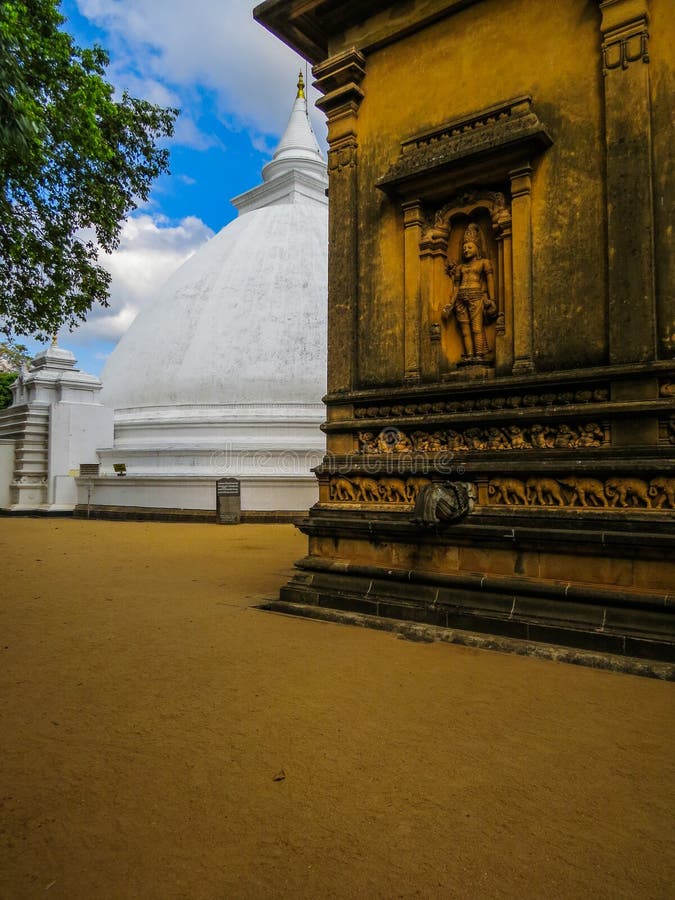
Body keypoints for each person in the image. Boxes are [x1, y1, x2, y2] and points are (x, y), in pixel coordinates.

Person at [442, 222, 497, 361]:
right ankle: (469, 355)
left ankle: (479, 355)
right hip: (460, 298)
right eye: (464, 248)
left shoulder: (483, 262)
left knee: (476, 328)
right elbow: (456, 286)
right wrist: (451, 303)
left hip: (476, 296)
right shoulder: (460, 268)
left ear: (477, 248)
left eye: (469, 247)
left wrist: (492, 299)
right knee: (465, 330)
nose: (466, 250)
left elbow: (490, 280)